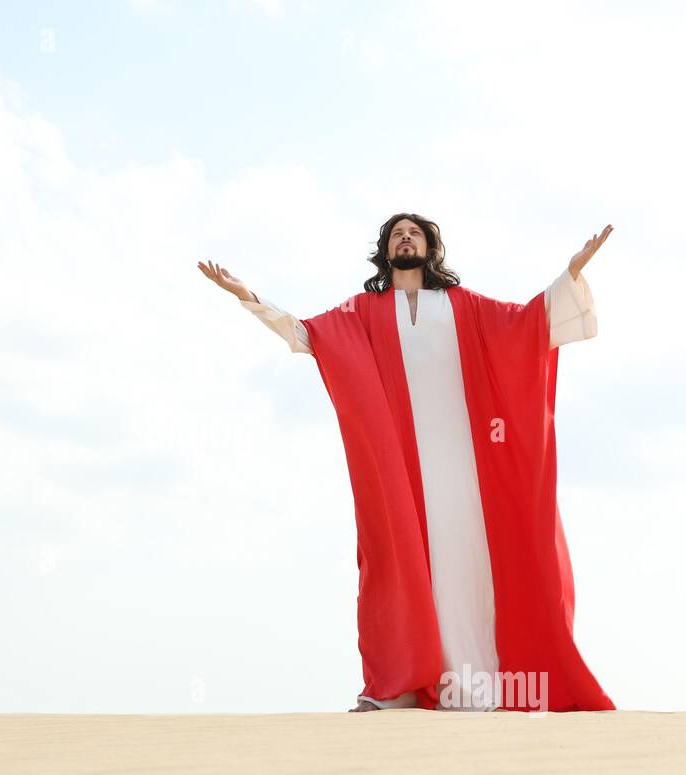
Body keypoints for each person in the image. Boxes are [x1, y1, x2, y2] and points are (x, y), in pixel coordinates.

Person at [197, 214, 615, 713]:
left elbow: (528, 324)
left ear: (430, 247)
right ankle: (399, 686)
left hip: (468, 467)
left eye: (414, 233)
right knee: (399, 566)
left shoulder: (466, 307)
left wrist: (569, 276)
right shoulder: (363, 312)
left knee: (472, 570)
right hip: (406, 470)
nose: (406, 238)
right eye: (397, 233)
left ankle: (484, 684)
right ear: (385, 250)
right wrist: (249, 296)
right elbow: (309, 336)